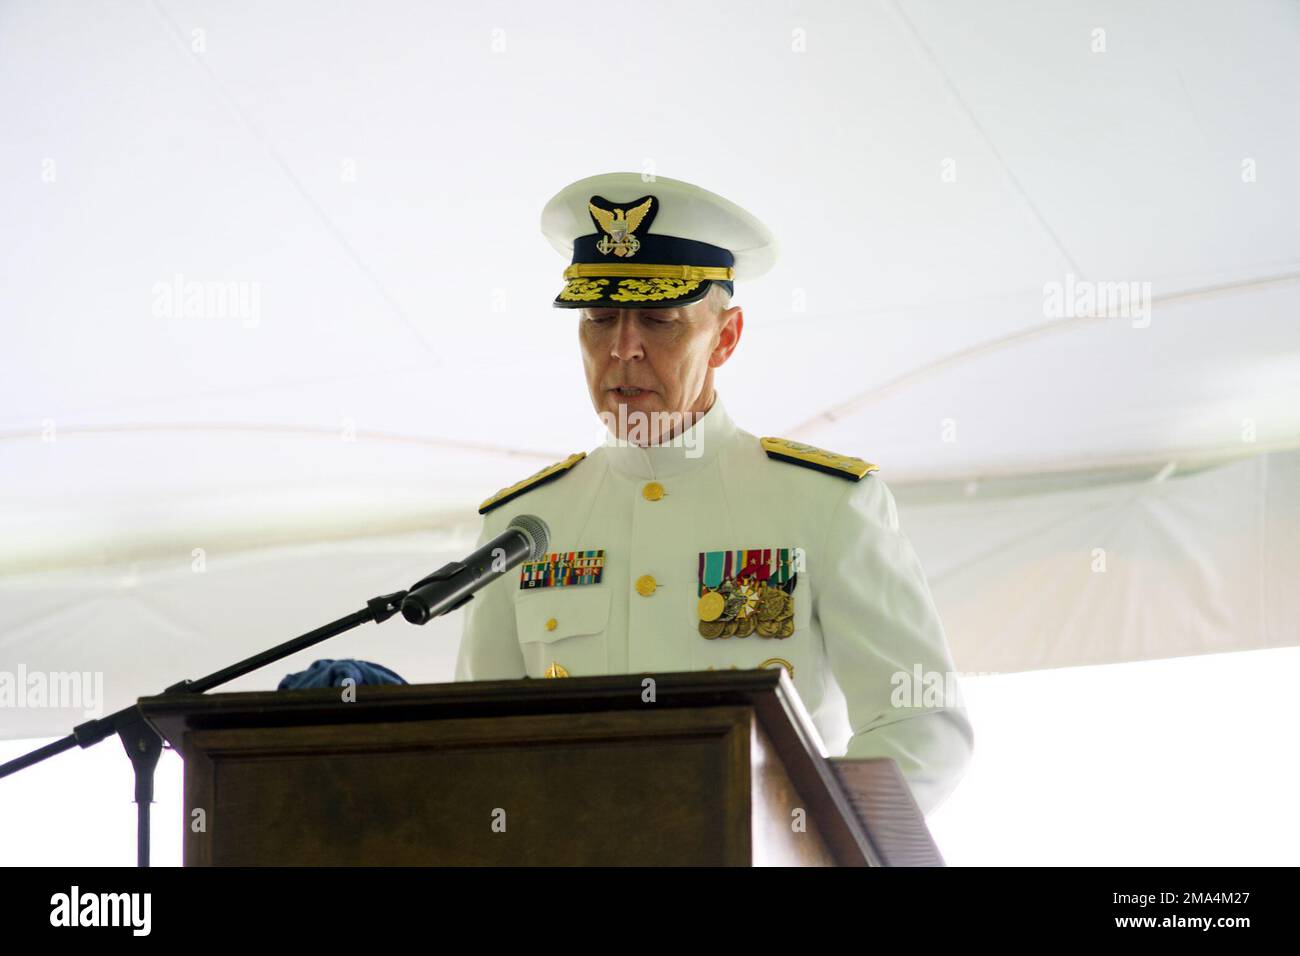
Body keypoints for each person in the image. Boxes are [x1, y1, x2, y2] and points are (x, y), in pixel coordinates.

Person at [455, 172, 973, 815]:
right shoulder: (525, 524)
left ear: (725, 338)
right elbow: (476, 745)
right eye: (599, 317)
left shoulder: (826, 504)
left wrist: (789, 835)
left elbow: (922, 728)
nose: (623, 347)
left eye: (659, 319)